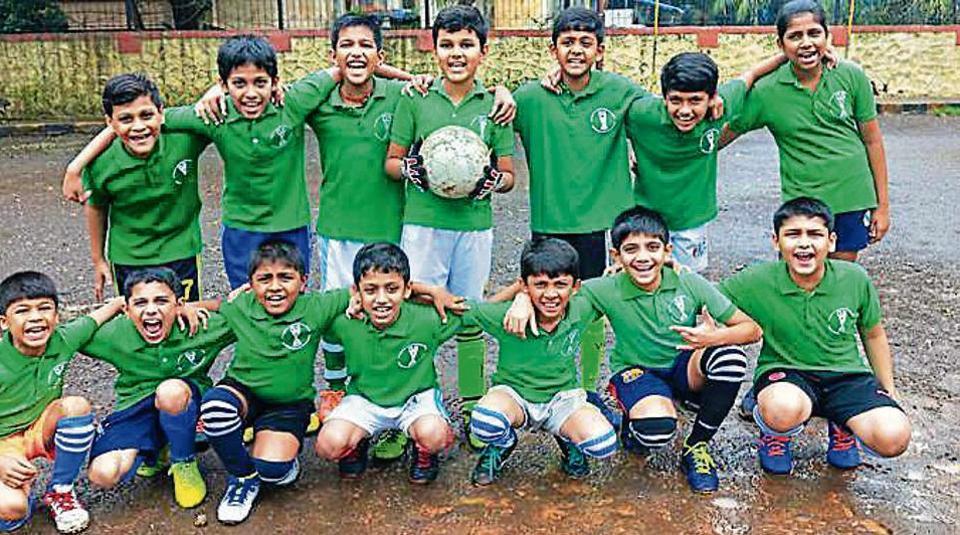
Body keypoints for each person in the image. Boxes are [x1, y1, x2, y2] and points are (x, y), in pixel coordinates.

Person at [505, 207, 762, 493]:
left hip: (686, 365)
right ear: (616, 256)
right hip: (638, 371)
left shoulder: (689, 282)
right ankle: (633, 422)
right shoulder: (602, 289)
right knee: (654, 430)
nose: (642, 257)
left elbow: (752, 329)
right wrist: (522, 296)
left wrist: (713, 337)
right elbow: (553, 295)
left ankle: (697, 446)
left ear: (667, 251)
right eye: (631, 249)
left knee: (731, 357)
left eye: (652, 247)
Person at [384, 5, 516, 451]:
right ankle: (415, 405)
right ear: (434, 49)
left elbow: (510, 174)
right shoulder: (415, 97)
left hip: (473, 226)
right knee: (418, 311)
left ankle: (475, 407)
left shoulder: (495, 107)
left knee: (468, 312)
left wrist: (495, 182)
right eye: (447, 45)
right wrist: (410, 170)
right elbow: (391, 162)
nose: (456, 54)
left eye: (466, 45)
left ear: (482, 51)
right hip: (423, 224)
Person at [512, 6, 651, 399]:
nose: (576, 50)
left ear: (600, 50)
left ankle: (587, 387)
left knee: (591, 309)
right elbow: (489, 109)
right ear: (553, 49)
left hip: (599, 223)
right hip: (550, 221)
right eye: (567, 42)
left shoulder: (620, 91)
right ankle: (548, 383)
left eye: (585, 43)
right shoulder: (529, 97)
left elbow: (662, 117)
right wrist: (503, 91)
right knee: (546, 306)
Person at [719, 197, 911, 475]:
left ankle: (843, 423)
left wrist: (887, 387)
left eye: (815, 234)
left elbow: (873, 334)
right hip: (786, 374)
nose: (804, 243)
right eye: (793, 234)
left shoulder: (854, 278)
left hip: (846, 376)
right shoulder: (756, 280)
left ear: (831, 241)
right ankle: (774, 435)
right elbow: (710, 299)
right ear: (776, 241)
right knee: (781, 408)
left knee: (894, 436)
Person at [726, 0, 890, 262]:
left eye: (814, 34)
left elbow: (872, 141)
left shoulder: (851, 76)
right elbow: (719, 136)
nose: (806, 43)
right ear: (780, 45)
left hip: (851, 196)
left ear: (828, 37)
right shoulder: (766, 92)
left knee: (841, 280)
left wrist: (882, 206)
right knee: (797, 280)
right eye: (795, 37)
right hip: (801, 205)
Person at [467, 238, 618, 486]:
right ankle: (502, 444)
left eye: (560, 285)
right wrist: (518, 297)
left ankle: (569, 439)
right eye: (540, 285)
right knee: (485, 422)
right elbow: (468, 310)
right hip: (514, 397)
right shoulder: (508, 316)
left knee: (603, 443)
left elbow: (629, 281)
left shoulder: (583, 305)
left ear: (575, 286)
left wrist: (675, 267)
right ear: (524, 285)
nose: (550, 294)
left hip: (562, 400)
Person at [82, 268, 235, 509]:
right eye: (140, 302)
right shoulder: (114, 333)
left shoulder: (201, 323)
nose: (151, 310)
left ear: (179, 305)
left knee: (170, 390)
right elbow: (68, 335)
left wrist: (227, 301)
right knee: (103, 473)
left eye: (162, 301)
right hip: (136, 406)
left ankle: (183, 461)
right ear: (127, 309)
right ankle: (158, 449)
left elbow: (247, 314)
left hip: (184, 401)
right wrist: (111, 307)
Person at [626, 51, 788, 272]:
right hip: (646, 218)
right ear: (664, 98)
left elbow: (750, 75)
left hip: (692, 220)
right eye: (675, 100)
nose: (684, 110)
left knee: (690, 281)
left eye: (695, 101)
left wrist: (791, 54)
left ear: (712, 98)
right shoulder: (643, 114)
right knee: (646, 280)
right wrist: (634, 149)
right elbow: (611, 110)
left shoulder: (721, 108)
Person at [314, 243, 459, 485]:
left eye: (391, 288)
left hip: (415, 400)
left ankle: (423, 451)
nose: (382, 299)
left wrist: (522, 297)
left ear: (407, 289)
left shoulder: (428, 319)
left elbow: (479, 312)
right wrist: (335, 387)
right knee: (328, 445)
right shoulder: (345, 320)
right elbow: (302, 310)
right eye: (370, 290)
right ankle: (355, 444)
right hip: (364, 400)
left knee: (434, 435)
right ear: (356, 292)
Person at [65, 73, 209, 302]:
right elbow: (95, 207)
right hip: (128, 257)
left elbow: (218, 110)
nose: (138, 127)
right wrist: (98, 260)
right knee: (140, 323)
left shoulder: (185, 138)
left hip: (181, 250)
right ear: (109, 123)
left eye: (146, 115)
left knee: (185, 320)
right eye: (126, 119)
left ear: (161, 112)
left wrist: (214, 93)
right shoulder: (100, 163)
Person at [0, 271, 122, 533]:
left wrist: (123, 302)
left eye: (44, 308)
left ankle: (61, 492)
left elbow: (94, 318)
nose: (35, 317)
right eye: (22, 311)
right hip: (2, 444)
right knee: (13, 510)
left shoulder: (63, 339)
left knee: (76, 407)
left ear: (56, 316)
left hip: (37, 429)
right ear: (3, 322)